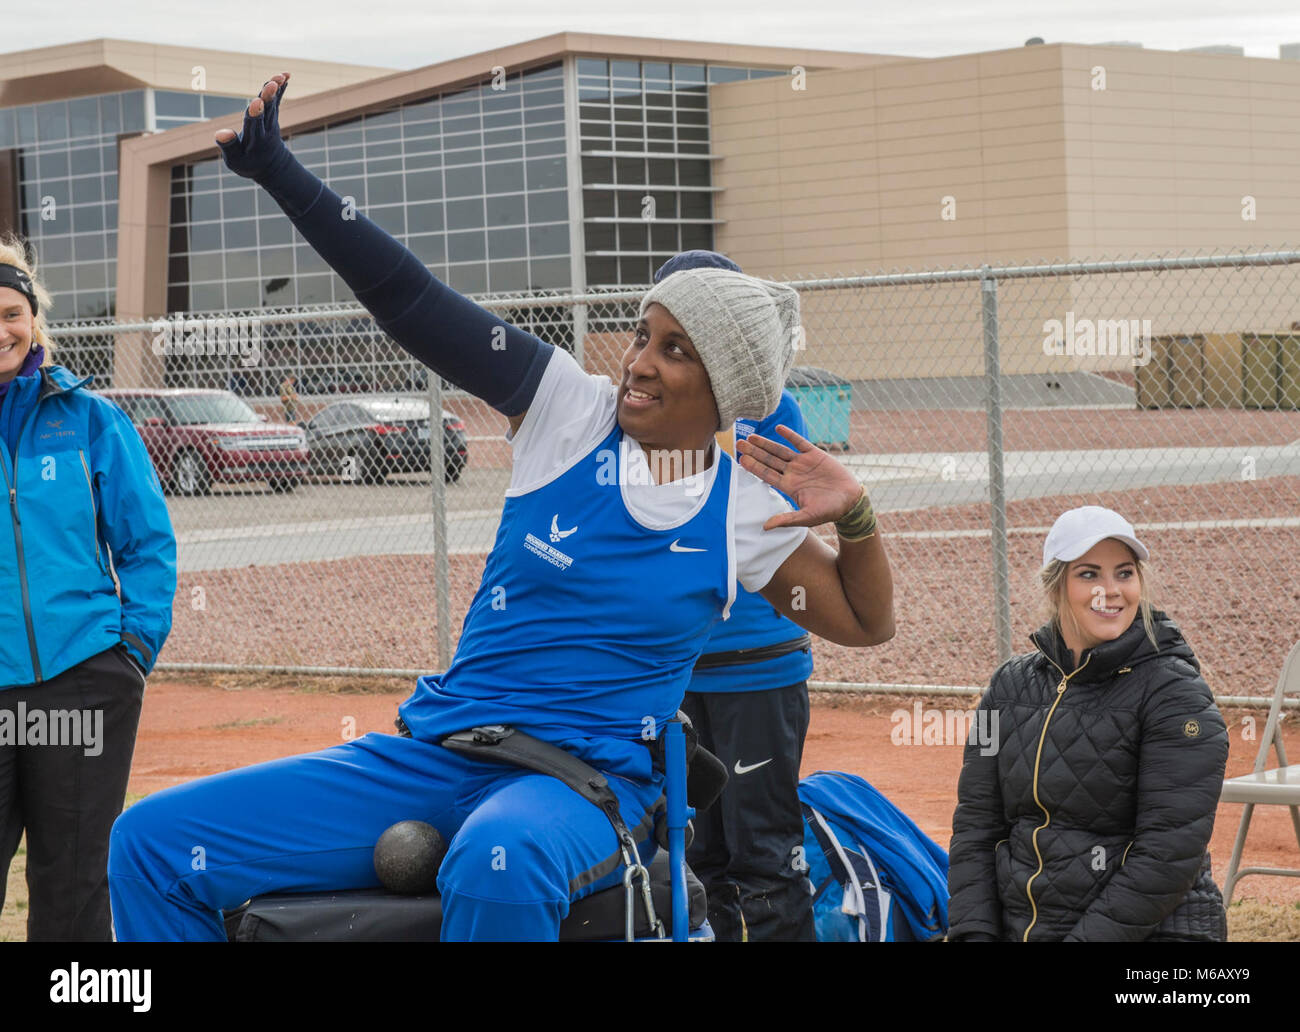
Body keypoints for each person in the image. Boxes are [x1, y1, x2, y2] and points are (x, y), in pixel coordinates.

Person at [107, 74, 895, 942]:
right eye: (642, 333)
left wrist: (854, 517)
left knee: (500, 857)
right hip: (442, 751)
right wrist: (279, 173)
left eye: (676, 350)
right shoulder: (568, 410)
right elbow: (410, 298)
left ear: (727, 392)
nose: (638, 361)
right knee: (150, 843)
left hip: (579, 788)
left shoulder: (738, 507)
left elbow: (866, 622)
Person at [0, 234, 176, 941]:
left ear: (33, 319)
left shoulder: (89, 419)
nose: (1, 330)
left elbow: (146, 543)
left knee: (74, 883)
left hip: (80, 682)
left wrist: (131, 650)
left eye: (11, 312)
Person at [947, 506, 1228, 942]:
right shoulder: (1008, 687)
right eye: (1089, 574)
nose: (1110, 591)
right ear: (1055, 585)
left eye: (1124, 573)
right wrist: (974, 933)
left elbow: (1169, 854)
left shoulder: (1176, 694)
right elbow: (976, 827)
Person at [659, 250, 818, 942]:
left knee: (765, 853)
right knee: (692, 852)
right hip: (678, 669)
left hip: (756, 664)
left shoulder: (771, 407)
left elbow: (787, 519)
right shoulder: (646, 409)